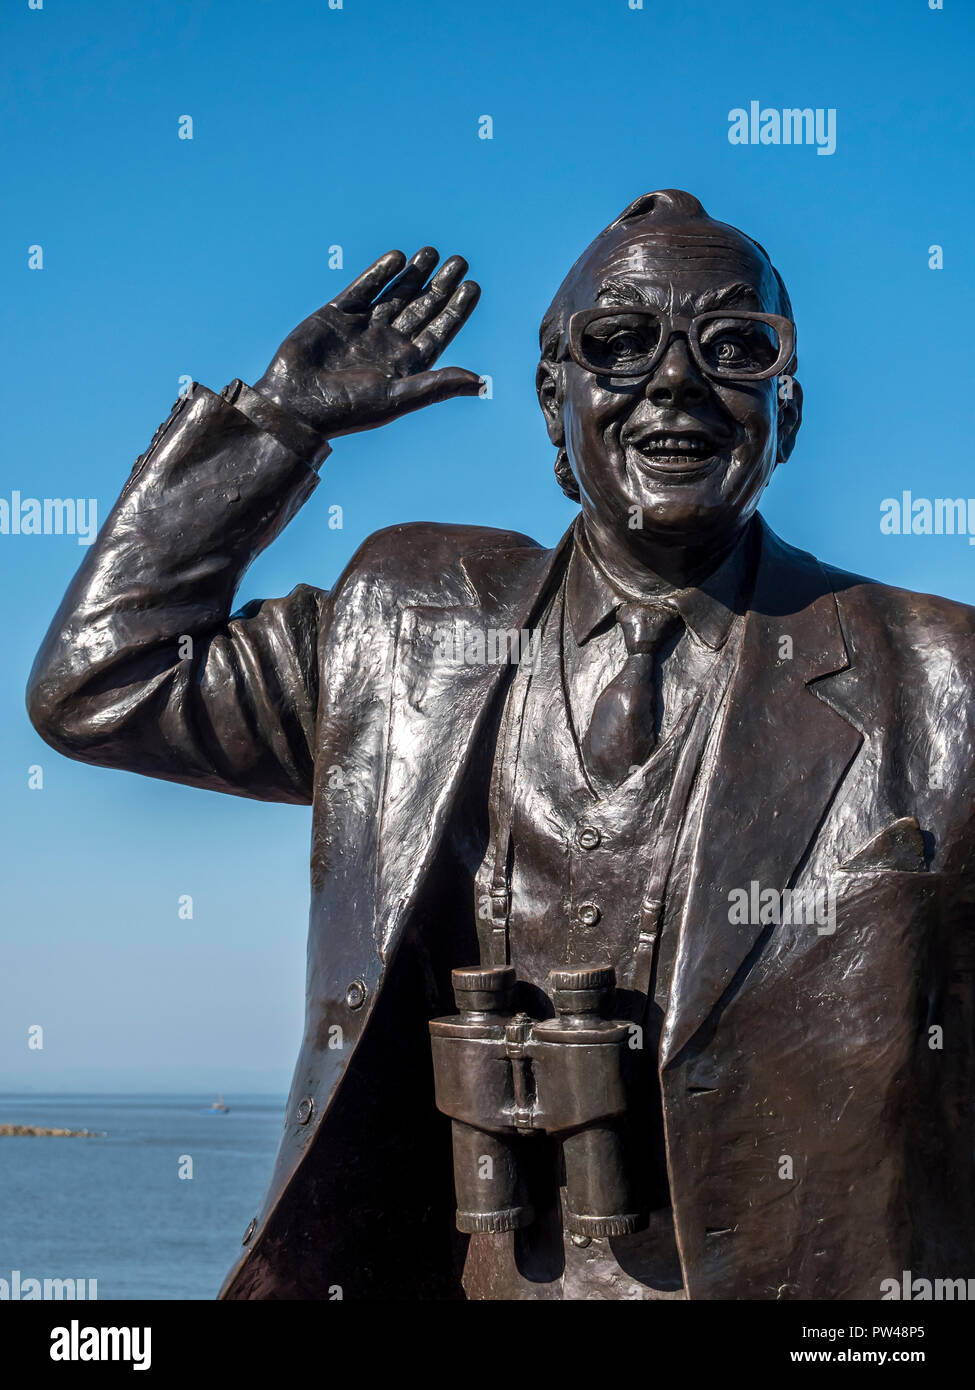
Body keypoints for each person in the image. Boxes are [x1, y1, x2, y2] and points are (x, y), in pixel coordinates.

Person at [28, 190, 975, 1300]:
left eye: (733, 346)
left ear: (789, 410)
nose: (675, 381)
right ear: (551, 403)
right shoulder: (406, 622)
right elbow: (102, 679)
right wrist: (280, 426)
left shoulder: (940, 674)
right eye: (618, 345)